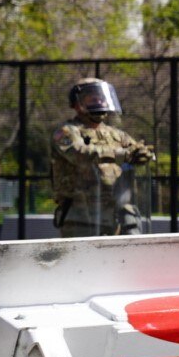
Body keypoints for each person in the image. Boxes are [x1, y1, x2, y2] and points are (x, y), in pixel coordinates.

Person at [50, 78, 155, 238]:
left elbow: (135, 150)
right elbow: (80, 153)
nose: (99, 101)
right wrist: (122, 154)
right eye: (92, 97)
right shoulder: (67, 132)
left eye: (101, 97)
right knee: (84, 261)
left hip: (115, 213)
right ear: (77, 103)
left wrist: (143, 154)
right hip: (80, 215)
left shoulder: (117, 135)